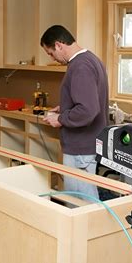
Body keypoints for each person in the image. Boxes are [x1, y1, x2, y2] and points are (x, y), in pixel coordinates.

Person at [41, 25, 108, 199]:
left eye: (50, 53)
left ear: (58, 45)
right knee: (82, 202)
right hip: (85, 145)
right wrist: (64, 107)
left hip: (80, 149)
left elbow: (87, 110)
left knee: (81, 204)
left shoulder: (80, 66)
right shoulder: (90, 59)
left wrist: (61, 119)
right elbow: (87, 100)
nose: (52, 58)